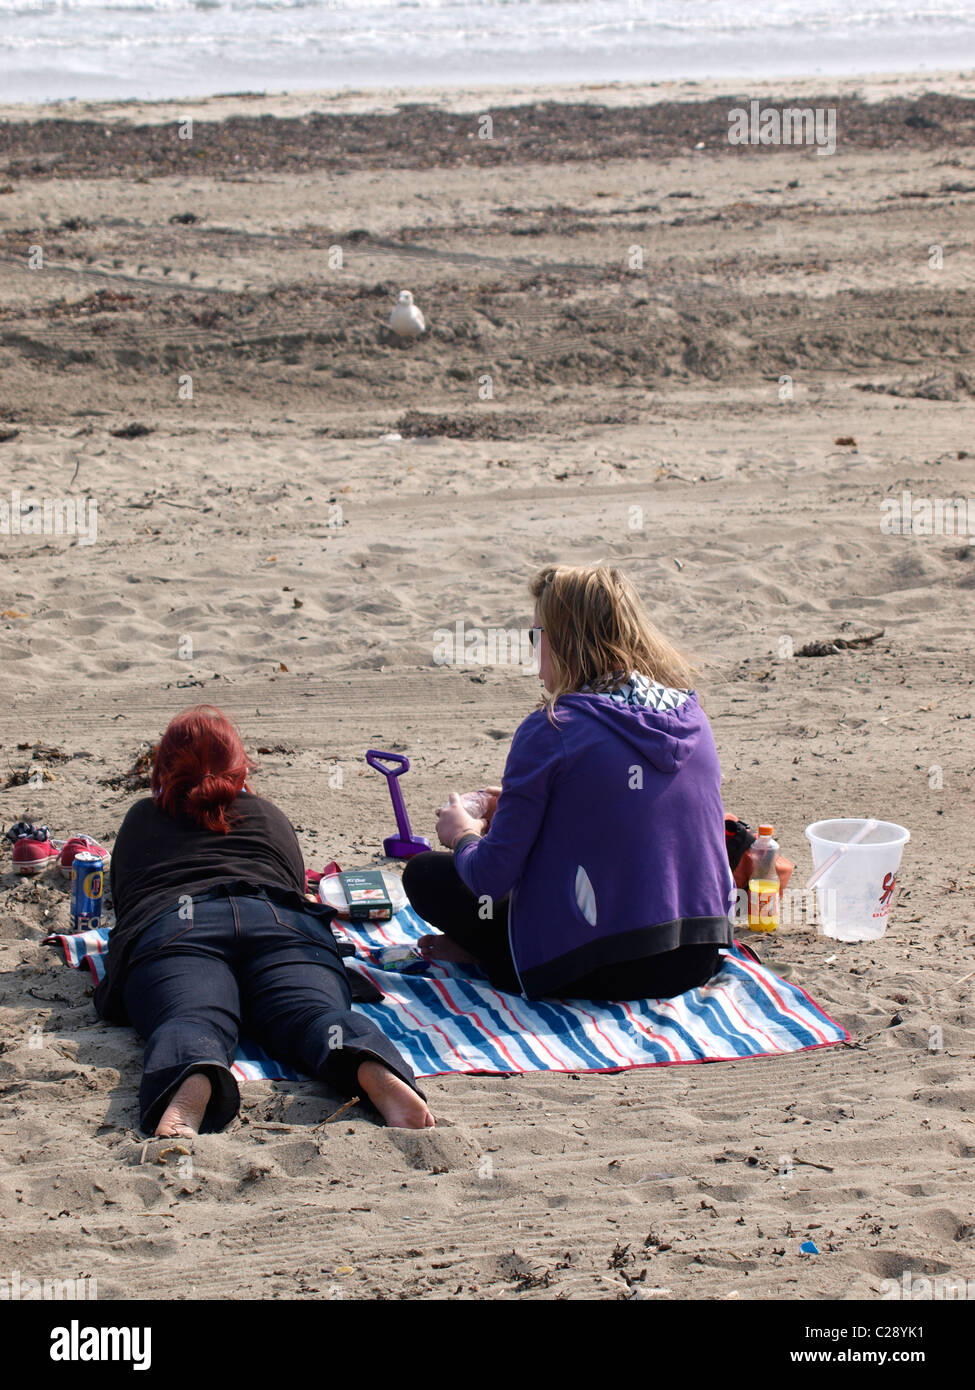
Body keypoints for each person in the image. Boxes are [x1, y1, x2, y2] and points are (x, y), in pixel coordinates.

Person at [96, 705, 433, 1136]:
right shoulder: (268, 814)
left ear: (163, 766)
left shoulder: (143, 817)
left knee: (192, 1016)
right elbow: (295, 886)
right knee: (313, 1014)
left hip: (179, 925)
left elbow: (125, 908)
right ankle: (369, 1065)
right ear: (240, 766)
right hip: (282, 923)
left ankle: (194, 1075)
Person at [403, 564, 734, 1000]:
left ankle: (491, 953)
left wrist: (461, 833)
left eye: (536, 638)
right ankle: (485, 949)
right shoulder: (691, 717)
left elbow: (489, 877)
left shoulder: (552, 728)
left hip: (600, 968)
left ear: (566, 642)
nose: (533, 656)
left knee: (426, 874)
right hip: (697, 956)